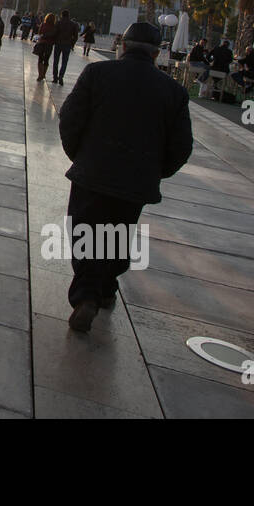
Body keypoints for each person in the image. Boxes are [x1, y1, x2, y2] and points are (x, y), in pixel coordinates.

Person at [57, 22, 193, 333]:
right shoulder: (174, 92)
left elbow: (70, 119)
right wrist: (157, 172)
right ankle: (105, 287)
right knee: (118, 234)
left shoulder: (97, 74)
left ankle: (86, 297)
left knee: (86, 234)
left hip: (93, 172)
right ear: (157, 53)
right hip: (136, 181)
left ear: (123, 45)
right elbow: (181, 146)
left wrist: (81, 156)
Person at [51, 9, 79, 85]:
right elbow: (76, 36)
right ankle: (61, 76)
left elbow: (54, 33)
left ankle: (55, 77)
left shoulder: (58, 23)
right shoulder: (73, 24)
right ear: (68, 15)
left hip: (58, 44)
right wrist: (72, 44)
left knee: (56, 61)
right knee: (64, 62)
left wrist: (54, 41)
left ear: (61, 15)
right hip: (67, 44)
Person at [33, 12, 57, 82]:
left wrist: (43, 35)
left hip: (42, 43)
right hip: (49, 45)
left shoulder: (43, 24)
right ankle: (43, 74)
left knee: (40, 59)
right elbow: (55, 35)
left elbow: (39, 32)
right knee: (46, 60)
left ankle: (40, 75)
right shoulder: (54, 26)